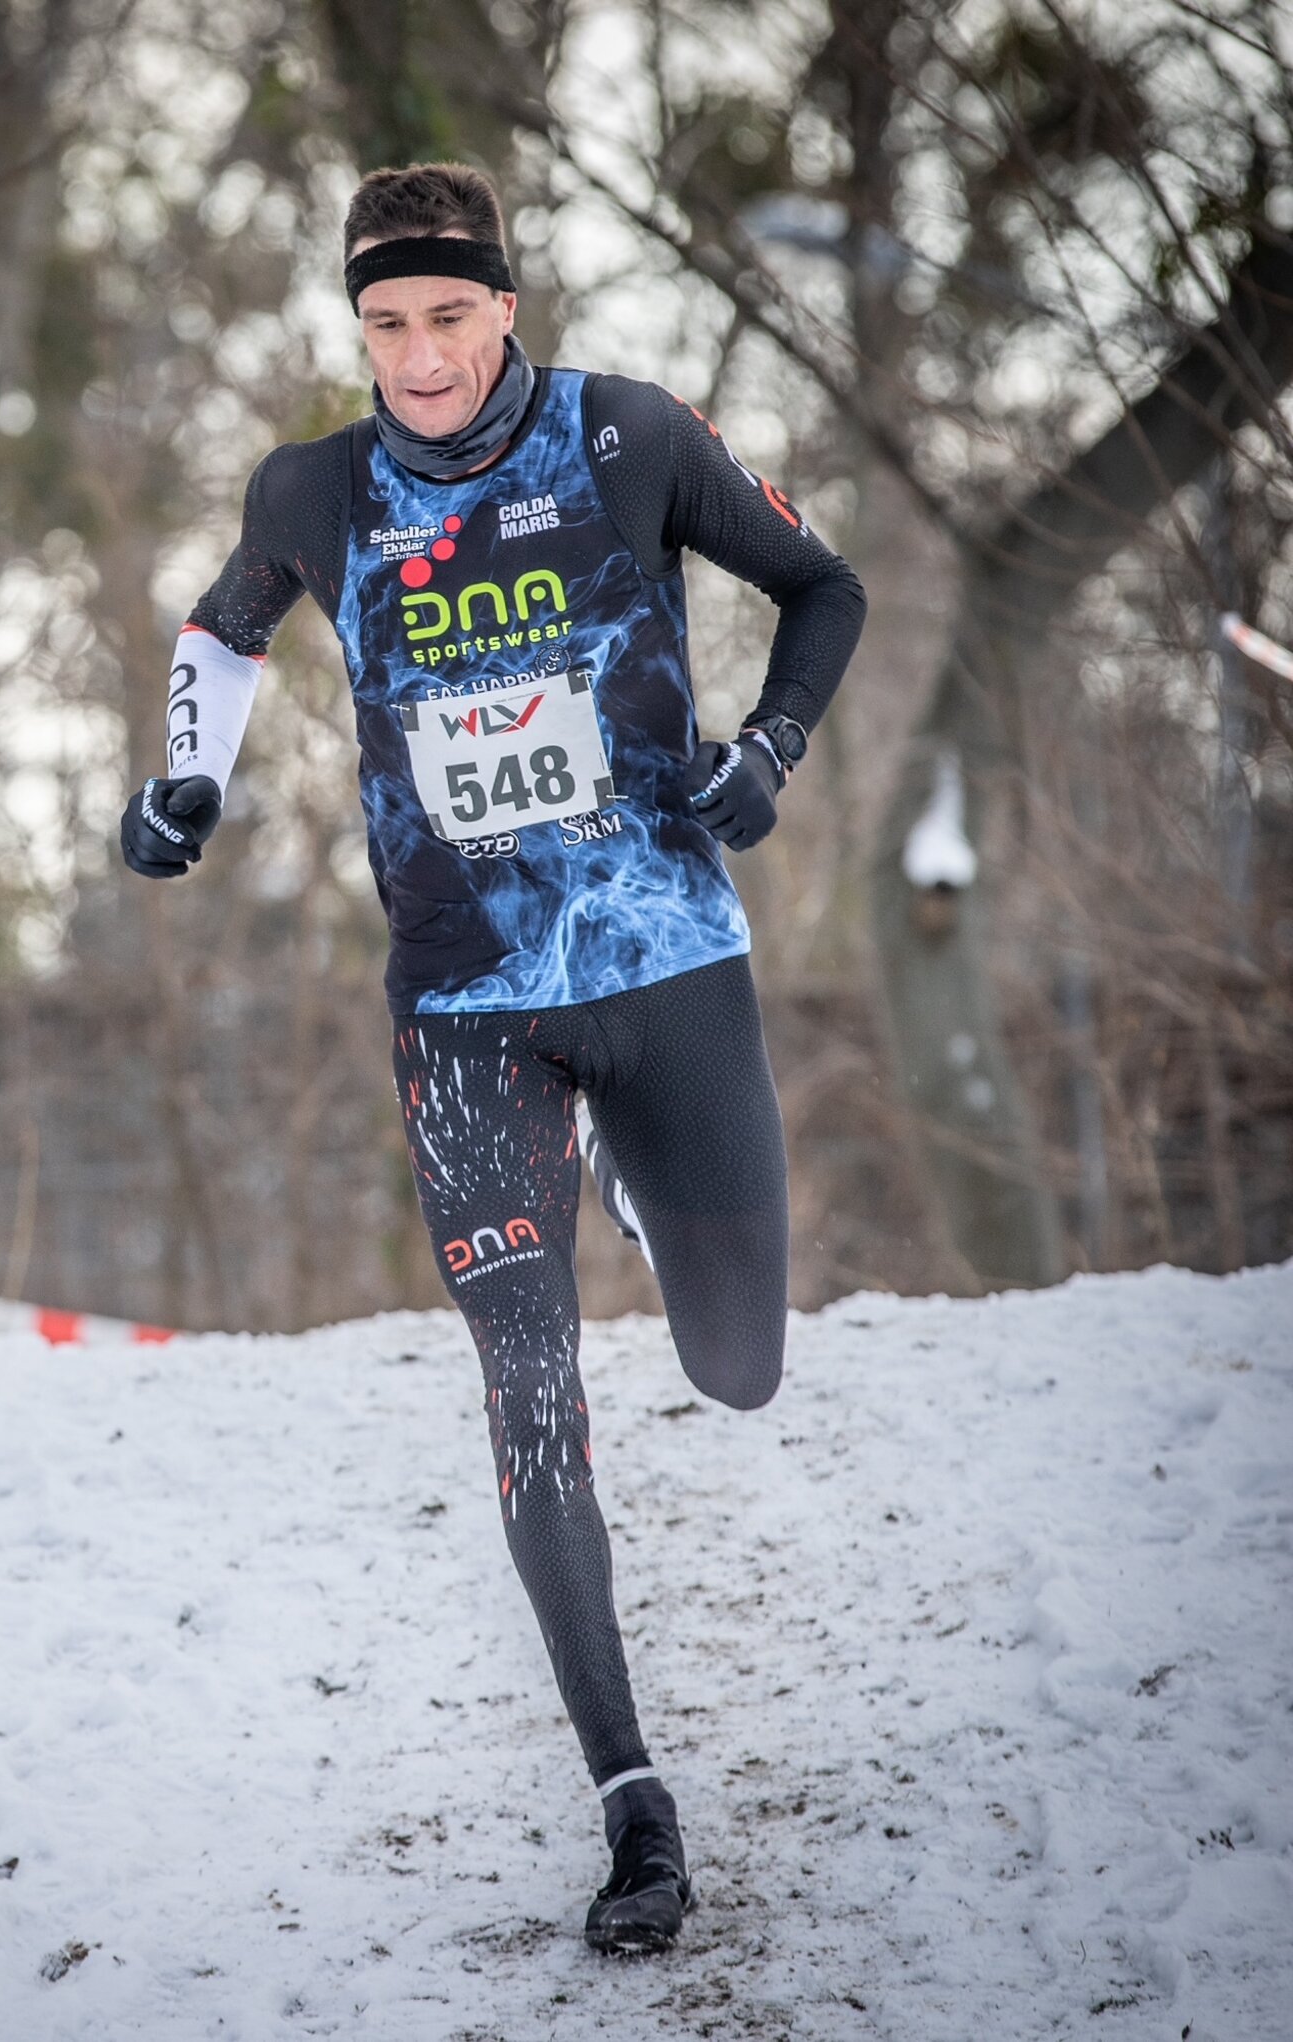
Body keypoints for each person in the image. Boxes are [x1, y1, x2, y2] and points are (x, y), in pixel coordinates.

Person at [119, 162, 865, 1954]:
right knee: (530, 1389)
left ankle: (636, 1168)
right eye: (385, 324)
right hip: (463, 1008)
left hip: (667, 960)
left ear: (505, 307)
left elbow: (822, 588)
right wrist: (183, 777)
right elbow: (224, 627)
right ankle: (634, 1809)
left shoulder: (628, 441)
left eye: (450, 315)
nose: (421, 354)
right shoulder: (317, 487)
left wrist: (765, 756)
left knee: (740, 1363)